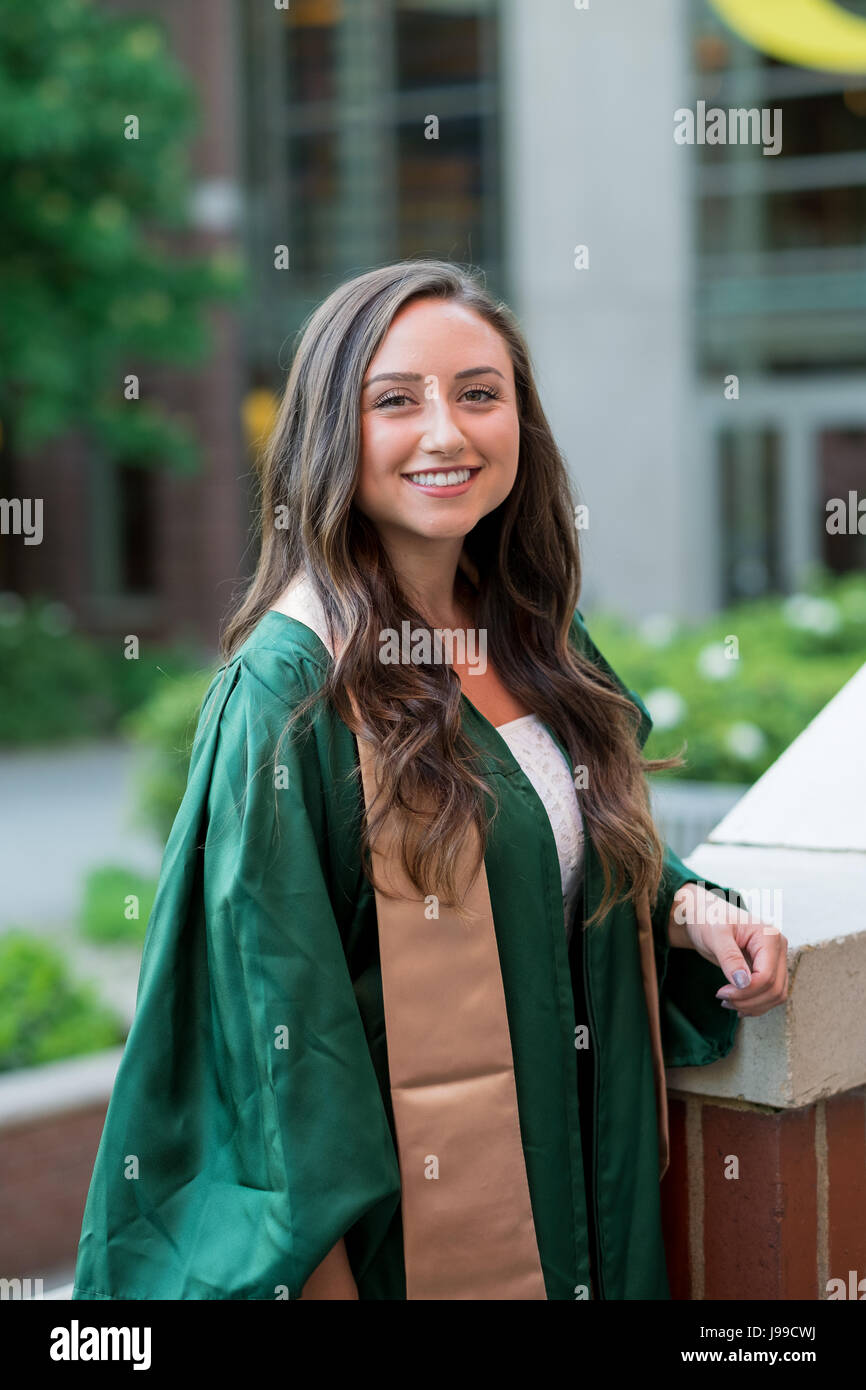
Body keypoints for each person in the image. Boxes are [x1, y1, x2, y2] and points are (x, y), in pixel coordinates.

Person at [71, 259, 787, 1301]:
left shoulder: (537, 636)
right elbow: (265, 1043)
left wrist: (685, 907)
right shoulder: (288, 690)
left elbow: (556, 842)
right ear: (330, 432)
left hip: (588, 1209)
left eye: (479, 394)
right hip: (413, 1247)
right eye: (395, 400)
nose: (446, 433)